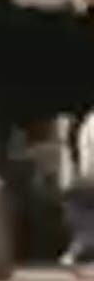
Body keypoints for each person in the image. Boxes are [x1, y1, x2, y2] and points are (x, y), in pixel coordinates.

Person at [58, 108, 94, 272]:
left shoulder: (88, 121)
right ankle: (75, 252)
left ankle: (74, 252)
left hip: (84, 180)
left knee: (85, 224)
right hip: (87, 181)